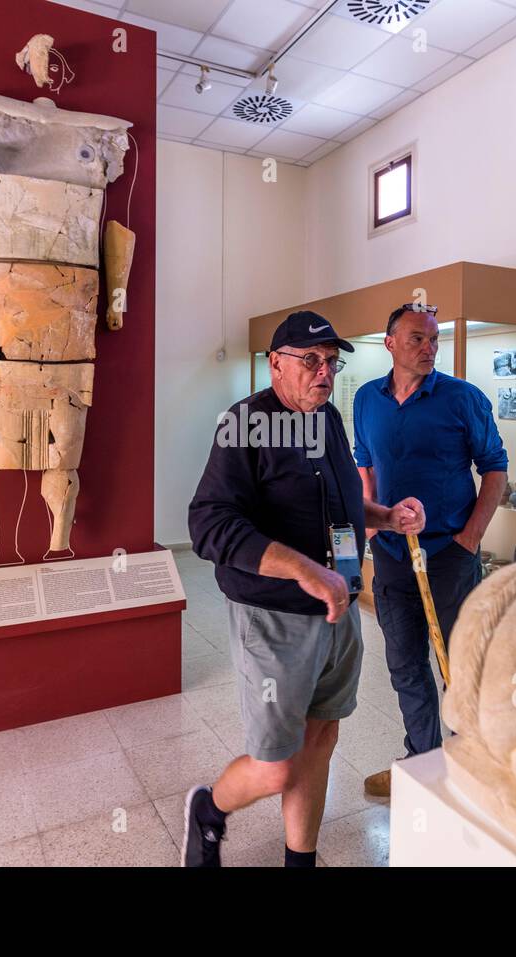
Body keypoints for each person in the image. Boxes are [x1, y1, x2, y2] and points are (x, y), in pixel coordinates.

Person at [184, 310, 424, 867]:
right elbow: (210, 525)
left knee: (320, 745)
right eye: (311, 361)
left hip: (337, 616)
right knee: (278, 766)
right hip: (275, 618)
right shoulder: (242, 425)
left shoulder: (329, 422)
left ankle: (301, 862)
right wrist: (304, 569)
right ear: (275, 364)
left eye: (331, 363)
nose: (324, 373)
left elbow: (338, 512)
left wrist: (386, 517)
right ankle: (210, 809)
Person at [353, 302, 509, 798]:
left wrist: (470, 539)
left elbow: (496, 470)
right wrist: (375, 526)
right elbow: (365, 465)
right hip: (395, 559)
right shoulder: (366, 400)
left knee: (458, 668)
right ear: (391, 344)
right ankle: (421, 763)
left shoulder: (463, 399)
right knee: (404, 663)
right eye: (417, 338)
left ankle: (470, 769)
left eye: (434, 339)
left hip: (448, 557)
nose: (428, 348)